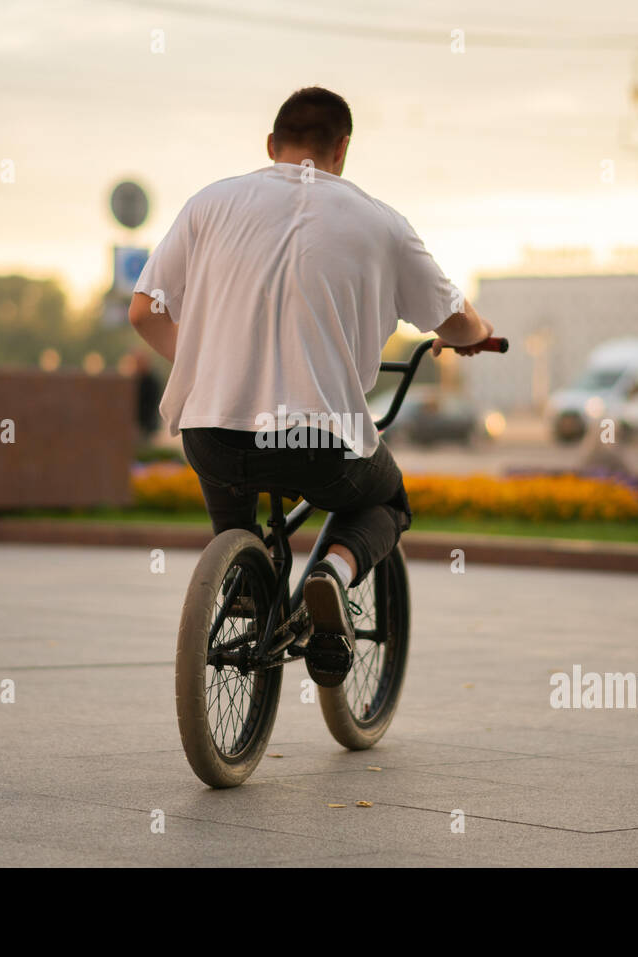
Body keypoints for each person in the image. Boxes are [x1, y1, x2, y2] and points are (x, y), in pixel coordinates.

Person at [127, 87, 494, 687]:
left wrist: (205, 362)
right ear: (342, 149)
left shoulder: (208, 204)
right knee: (388, 500)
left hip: (212, 434)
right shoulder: (381, 223)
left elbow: (144, 311)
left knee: (227, 473)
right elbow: (453, 317)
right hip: (316, 441)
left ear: (271, 145)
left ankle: (242, 576)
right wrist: (477, 335)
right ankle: (333, 574)